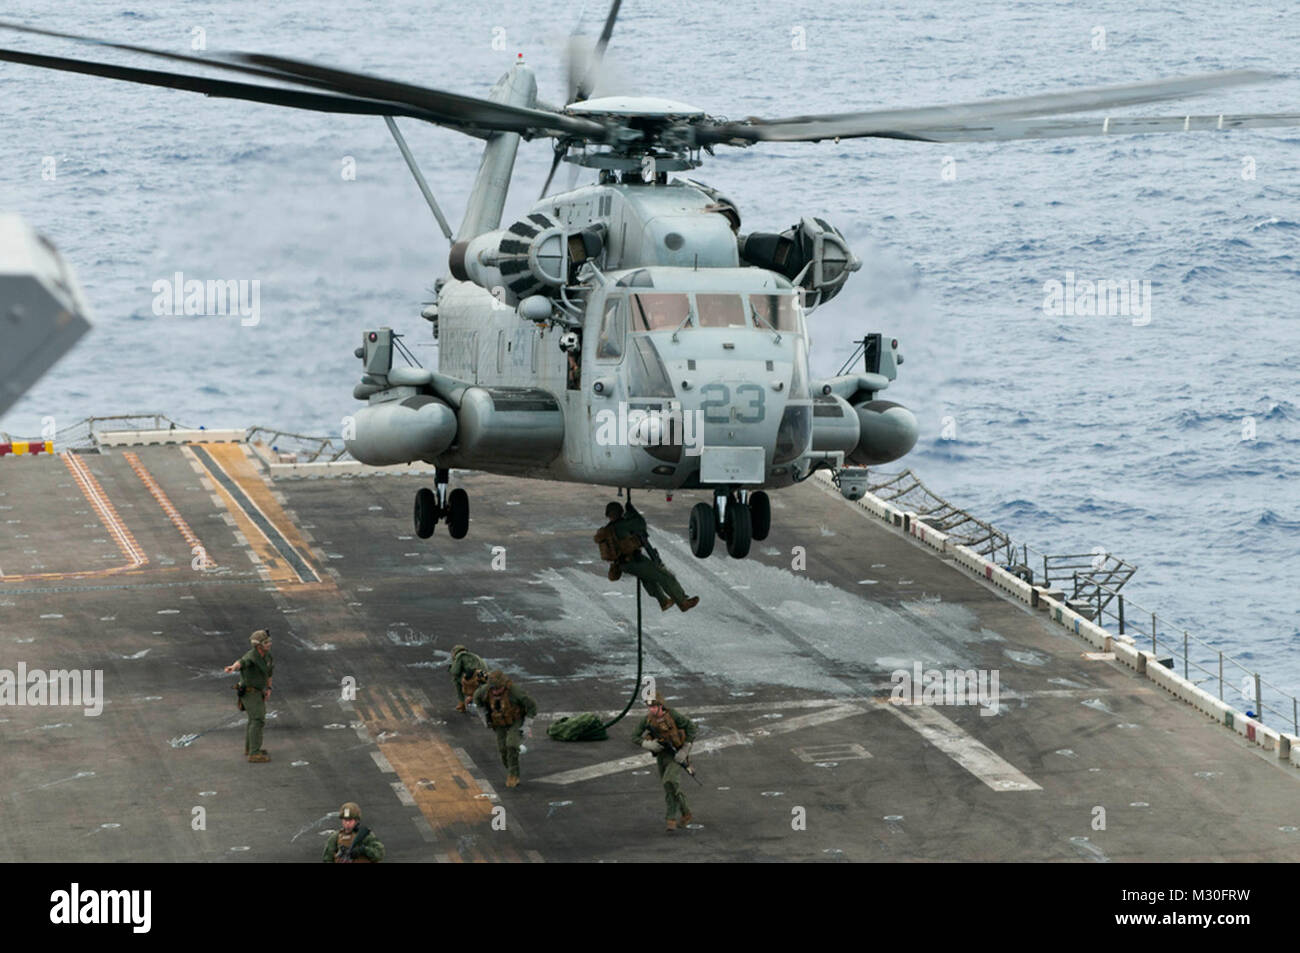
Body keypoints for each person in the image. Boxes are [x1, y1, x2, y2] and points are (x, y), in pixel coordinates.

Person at [595, 500, 699, 612]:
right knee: (664, 575)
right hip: (633, 560)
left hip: (623, 564)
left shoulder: (608, 529)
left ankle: (663, 601)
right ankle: (682, 602)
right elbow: (640, 523)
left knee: (648, 578)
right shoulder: (622, 525)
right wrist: (632, 511)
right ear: (619, 512)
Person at [631, 692, 698, 831]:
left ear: (661, 705)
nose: (651, 710)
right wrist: (648, 744)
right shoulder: (648, 720)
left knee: (670, 779)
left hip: (676, 754)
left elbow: (691, 727)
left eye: (654, 707)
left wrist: (685, 749)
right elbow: (634, 736)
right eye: (649, 707)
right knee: (668, 787)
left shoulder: (673, 715)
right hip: (662, 755)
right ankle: (677, 817)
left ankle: (675, 815)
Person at [473, 670, 537, 788]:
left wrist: (526, 725)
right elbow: (477, 701)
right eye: (493, 689)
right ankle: (511, 769)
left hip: (516, 720)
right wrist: (484, 718)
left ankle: (513, 775)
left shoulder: (515, 692)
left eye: (498, 688)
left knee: (511, 745)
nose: (495, 691)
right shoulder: (484, 691)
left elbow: (532, 706)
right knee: (502, 749)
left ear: (504, 685)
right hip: (498, 722)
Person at [224, 629, 273, 763]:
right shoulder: (252, 656)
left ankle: (251, 748)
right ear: (259, 646)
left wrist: (268, 688)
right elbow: (241, 662)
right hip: (249, 692)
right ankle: (254, 753)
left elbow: (269, 674)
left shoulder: (267, 656)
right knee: (257, 719)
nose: (270, 644)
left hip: (258, 692)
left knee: (254, 719)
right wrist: (233, 668)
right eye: (266, 642)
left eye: (269, 641)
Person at [448, 644, 487, 713]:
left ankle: (462, 703)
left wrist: (450, 668)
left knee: (456, 679)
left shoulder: (460, 656)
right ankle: (475, 696)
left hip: (475, 679)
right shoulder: (475, 656)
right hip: (484, 678)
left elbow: (455, 672)